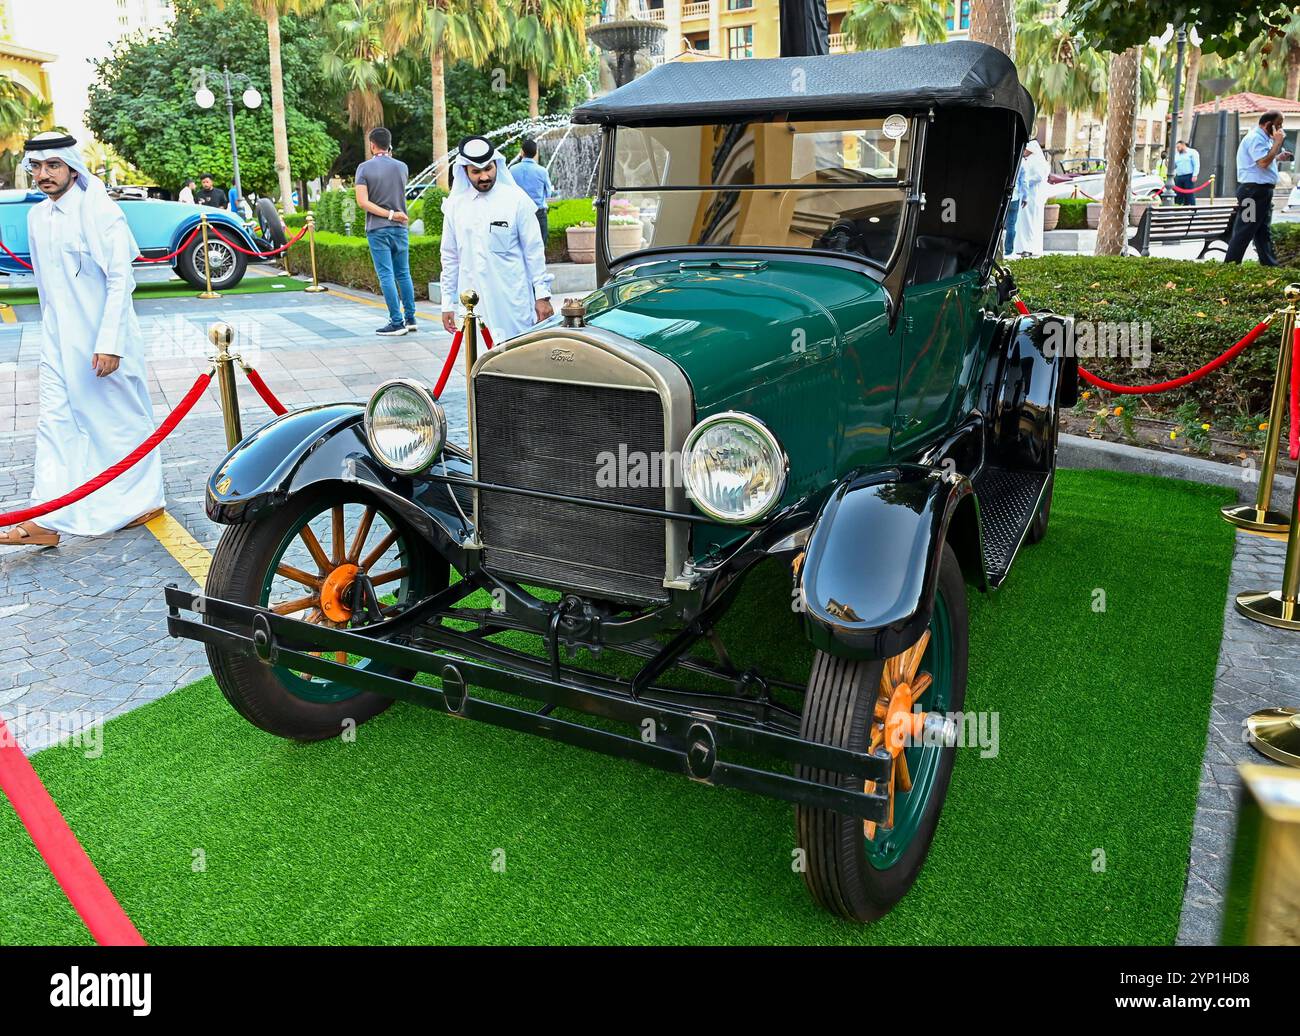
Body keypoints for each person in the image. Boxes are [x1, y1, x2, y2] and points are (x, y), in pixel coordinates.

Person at [0, 132, 164, 547]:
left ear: (72, 167)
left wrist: (109, 341)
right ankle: (46, 517)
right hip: (57, 341)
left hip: (104, 340)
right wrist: (51, 340)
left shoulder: (99, 210)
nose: (43, 175)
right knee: (54, 422)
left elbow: (119, 280)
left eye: (53, 165)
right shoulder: (38, 217)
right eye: (36, 167)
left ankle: (145, 499)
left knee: (120, 422)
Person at [440, 135, 553, 342]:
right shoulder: (455, 207)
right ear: (465, 171)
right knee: (477, 365)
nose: (484, 176)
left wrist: (542, 296)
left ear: (497, 166)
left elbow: (534, 251)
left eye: (488, 169)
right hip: (473, 305)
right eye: (476, 172)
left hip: (512, 303)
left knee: (516, 362)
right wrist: (447, 303)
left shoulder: (516, 200)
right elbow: (449, 257)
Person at [354, 127, 418, 336]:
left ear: (372, 145)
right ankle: (410, 318)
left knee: (386, 275)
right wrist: (395, 216)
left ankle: (396, 322)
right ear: (389, 144)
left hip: (378, 229)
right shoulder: (402, 167)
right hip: (400, 228)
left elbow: (363, 202)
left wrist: (389, 215)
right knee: (403, 272)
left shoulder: (364, 168)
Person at [1224, 110, 1292, 266]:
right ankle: (1230, 266)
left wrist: (1277, 156)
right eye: (1278, 124)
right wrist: (1277, 144)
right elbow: (1262, 163)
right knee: (1245, 229)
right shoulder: (1256, 138)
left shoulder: (1264, 138)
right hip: (1252, 192)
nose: (1281, 128)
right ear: (1268, 124)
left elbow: (1264, 160)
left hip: (1260, 192)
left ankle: (1270, 265)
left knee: (1263, 231)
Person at [510, 138, 555, 242]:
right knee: (540, 245)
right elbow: (548, 193)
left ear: (522, 152)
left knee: (519, 244)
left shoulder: (512, 170)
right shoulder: (542, 171)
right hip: (538, 212)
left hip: (518, 212)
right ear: (535, 153)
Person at [1011, 138, 1050, 257]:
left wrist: (1026, 180)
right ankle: (1021, 247)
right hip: (1024, 196)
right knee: (1022, 223)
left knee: (1030, 223)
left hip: (1034, 197)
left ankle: (1029, 247)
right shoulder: (1025, 161)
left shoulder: (1038, 161)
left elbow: (1038, 176)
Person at [1005, 147, 1026, 254]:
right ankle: (1008, 250)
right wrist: (1025, 197)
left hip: (1004, 196)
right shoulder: (1021, 162)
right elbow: (1024, 182)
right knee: (1011, 225)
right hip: (1015, 197)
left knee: (997, 225)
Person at [1172, 140, 1200, 205]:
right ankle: (1179, 207)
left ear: (1183, 145)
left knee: (1189, 193)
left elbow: (1196, 164)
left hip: (1189, 175)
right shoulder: (1177, 155)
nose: (1177, 149)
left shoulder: (1192, 152)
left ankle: (1192, 208)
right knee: (1178, 193)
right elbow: (1175, 165)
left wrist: (1195, 175)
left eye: (1178, 147)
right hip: (1179, 176)